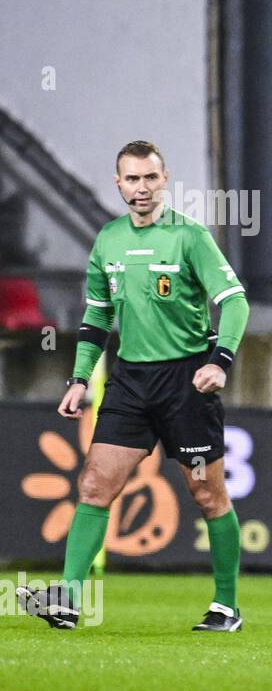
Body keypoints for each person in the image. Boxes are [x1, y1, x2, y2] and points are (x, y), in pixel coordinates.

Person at [17, 141, 250, 631]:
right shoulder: (108, 240)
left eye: (149, 178)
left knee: (208, 495)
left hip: (187, 380)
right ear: (118, 183)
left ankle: (226, 606)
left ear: (164, 180)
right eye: (131, 179)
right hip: (130, 380)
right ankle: (68, 599)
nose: (141, 188)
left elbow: (235, 302)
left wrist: (220, 360)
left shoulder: (190, 237)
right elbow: (97, 315)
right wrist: (80, 378)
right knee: (95, 484)